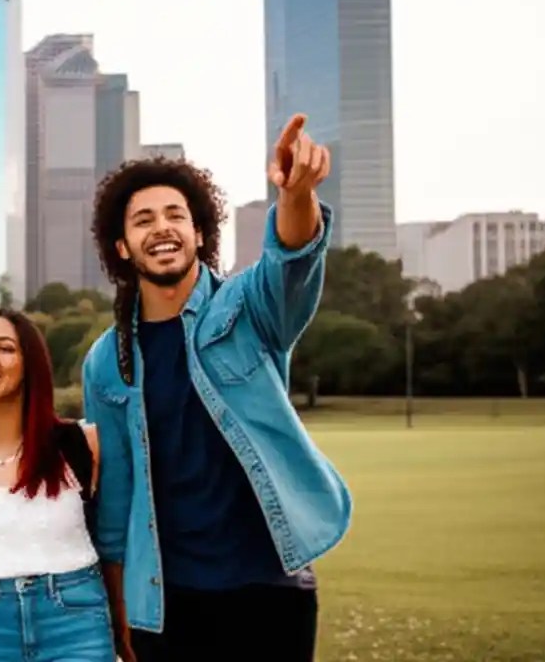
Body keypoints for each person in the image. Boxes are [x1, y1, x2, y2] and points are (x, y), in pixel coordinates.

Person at [83, 114, 352, 661]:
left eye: (175, 215)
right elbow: (115, 500)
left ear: (200, 233)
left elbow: (292, 260)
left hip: (269, 587)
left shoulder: (249, 309)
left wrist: (296, 195)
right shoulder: (105, 362)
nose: (161, 227)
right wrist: (121, 613)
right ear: (122, 246)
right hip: (167, 600)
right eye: (143, 220)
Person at [0, 309, 113, 662]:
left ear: (29, 364)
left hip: (75, 620)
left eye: (5, 348)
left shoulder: (80, 444)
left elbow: (117, 537)